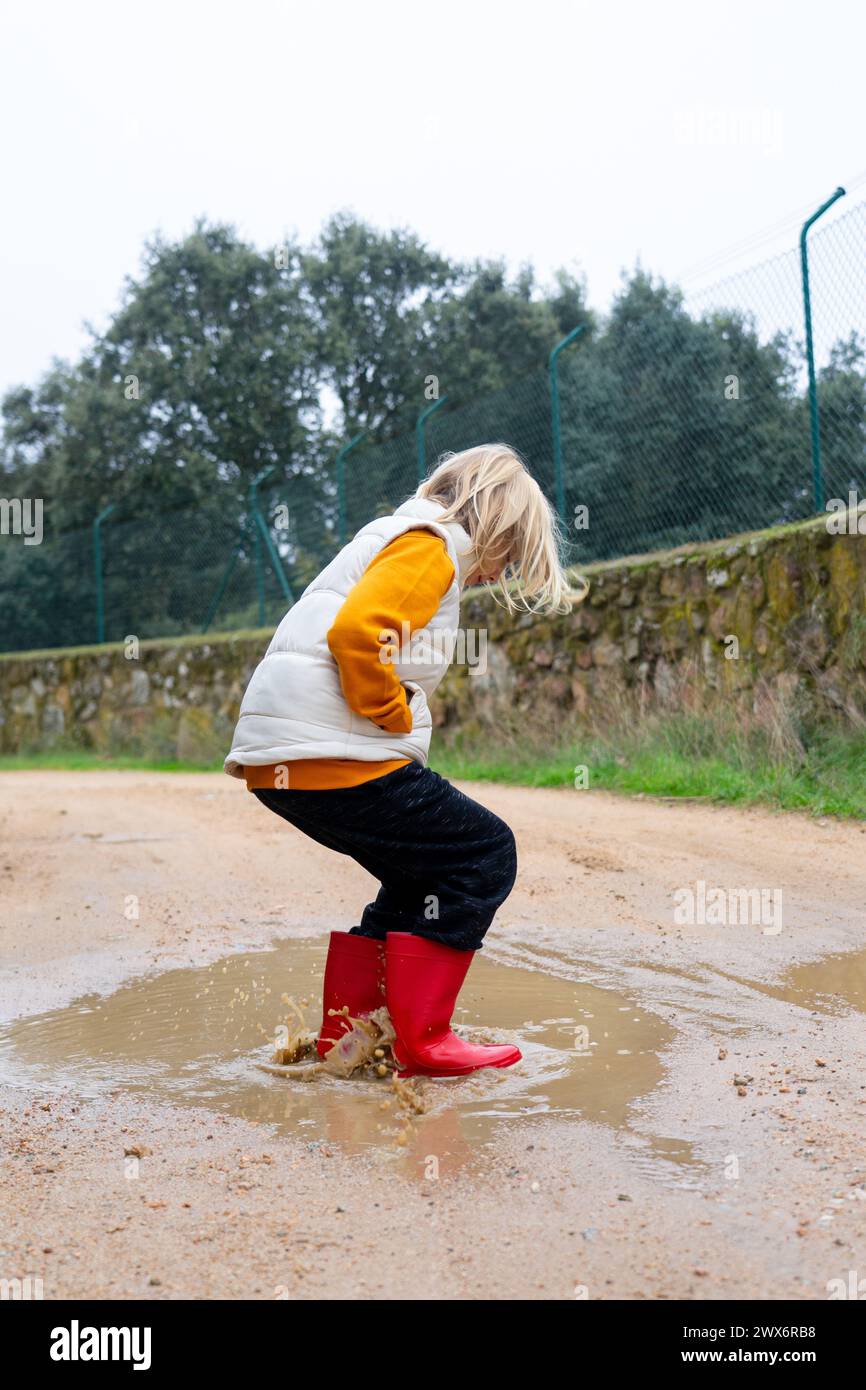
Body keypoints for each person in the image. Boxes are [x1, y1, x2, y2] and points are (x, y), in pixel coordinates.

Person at [225, 444, 585, 1076]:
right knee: (485, 851)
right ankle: (424, 1040)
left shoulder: (397, 536)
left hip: (287, 761)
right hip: (330, 753)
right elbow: (358, 635)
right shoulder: (433, 546)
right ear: (494, 522)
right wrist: (391, 711)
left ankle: (353, 1038)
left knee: (420, 878)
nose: (499, 576)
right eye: (510, 556)